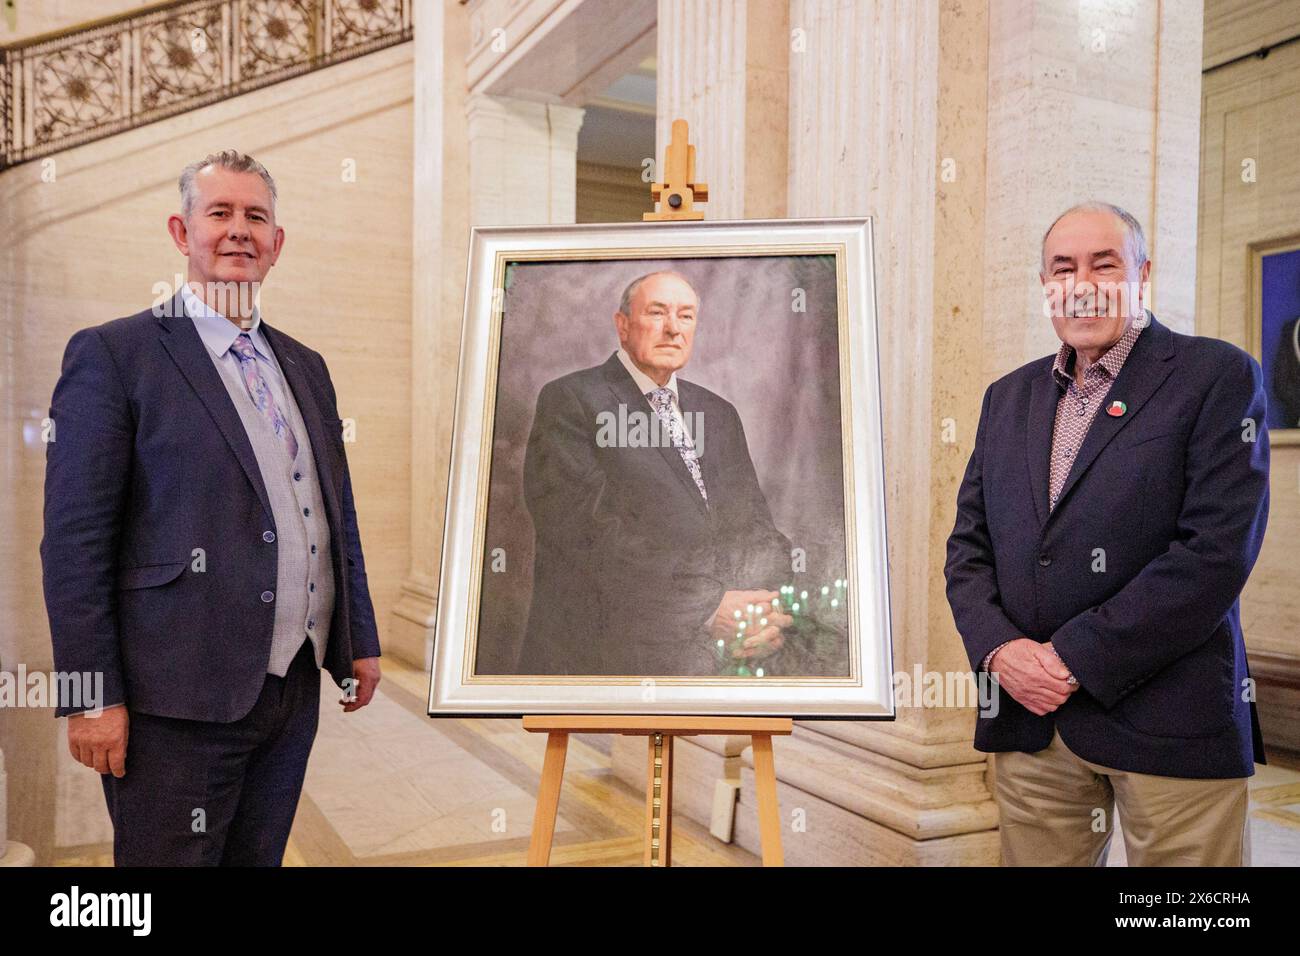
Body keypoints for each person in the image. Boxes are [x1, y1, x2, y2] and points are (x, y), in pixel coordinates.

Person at [42, 149, 382, 866]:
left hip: (289, 694)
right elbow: (74, 543)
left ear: (277, 242)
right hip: (173, 700)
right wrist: (88, 693)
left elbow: (334, 510)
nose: (239, 231)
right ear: (181, 232)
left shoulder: (305, 364)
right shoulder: (116, 355)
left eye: (256, 217)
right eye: (219, 213)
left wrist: (358, 639)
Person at [945, 201, 1269, 866]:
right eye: (1063, 267)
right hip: (1029, 721)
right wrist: (1002, 651)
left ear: (1141, 275)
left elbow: (1213, 554)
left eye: (1105, 263)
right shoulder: (1007, 398)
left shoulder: (1216, 376)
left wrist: (1068, 661)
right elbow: (968, 550)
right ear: (1046, 286)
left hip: (1170, 720)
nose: (1082, 282)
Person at [516, 270, 794, 675]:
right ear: (623, 325)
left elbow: (753, 524)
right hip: (606, 653)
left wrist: (765, 604)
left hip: (712, 651)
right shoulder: (572, 400)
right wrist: (708, 606)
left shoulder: (717, 414)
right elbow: (584, 532)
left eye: (686, 316)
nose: (672, 329)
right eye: (657, 313)